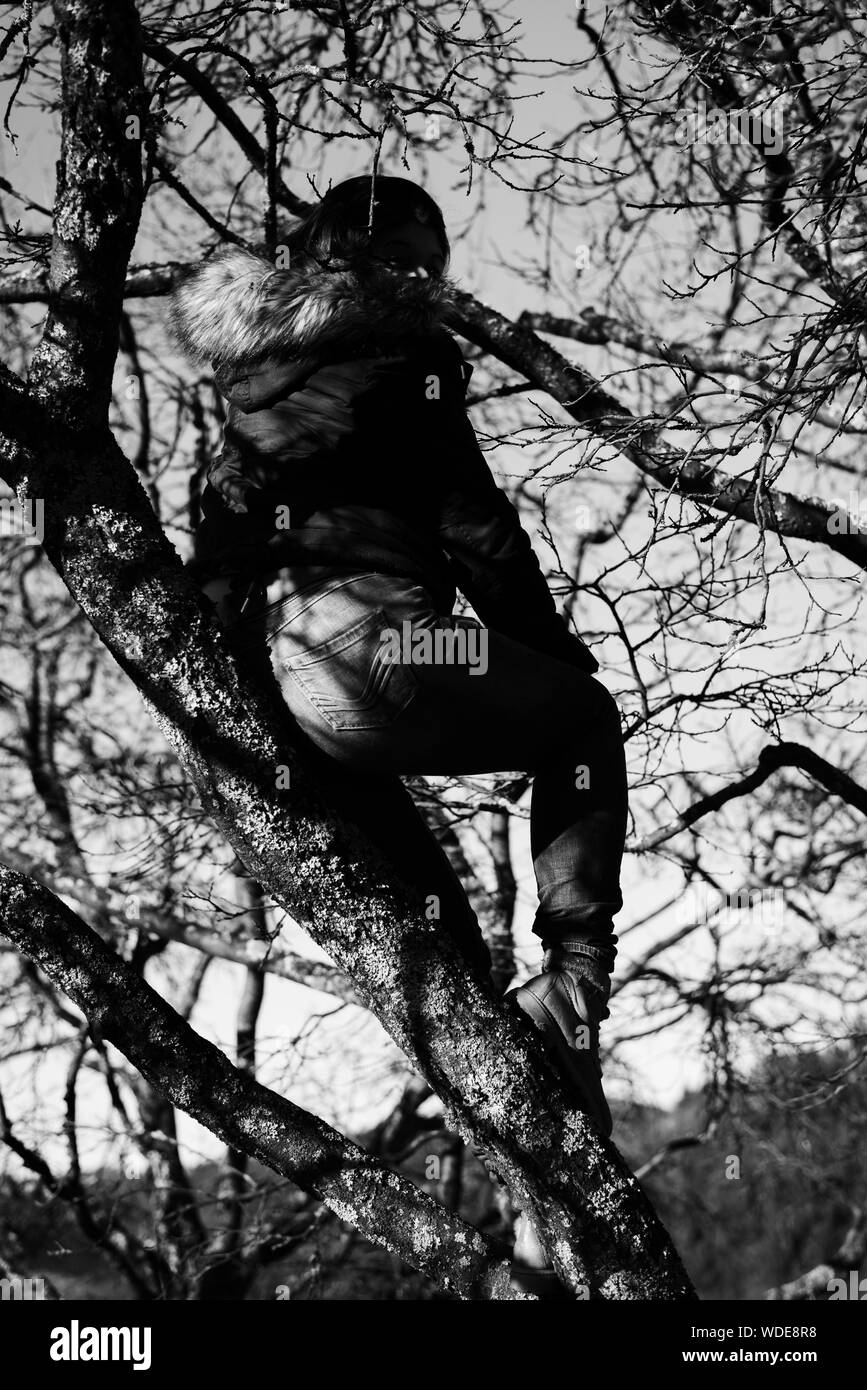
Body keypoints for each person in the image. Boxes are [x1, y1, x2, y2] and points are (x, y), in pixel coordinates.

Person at [170, 174, 628, 1293]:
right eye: (421, 258)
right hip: (394, 648)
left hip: (296, 675)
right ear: (369, 257)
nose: (434, 281)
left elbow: (222, 545)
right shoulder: (404, 360)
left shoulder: (251, 383)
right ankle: (572, 978)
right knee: (586, 717)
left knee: (445, 943)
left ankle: (502, 1062)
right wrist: (546, 658)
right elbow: (479, 532)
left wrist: (240, 722)